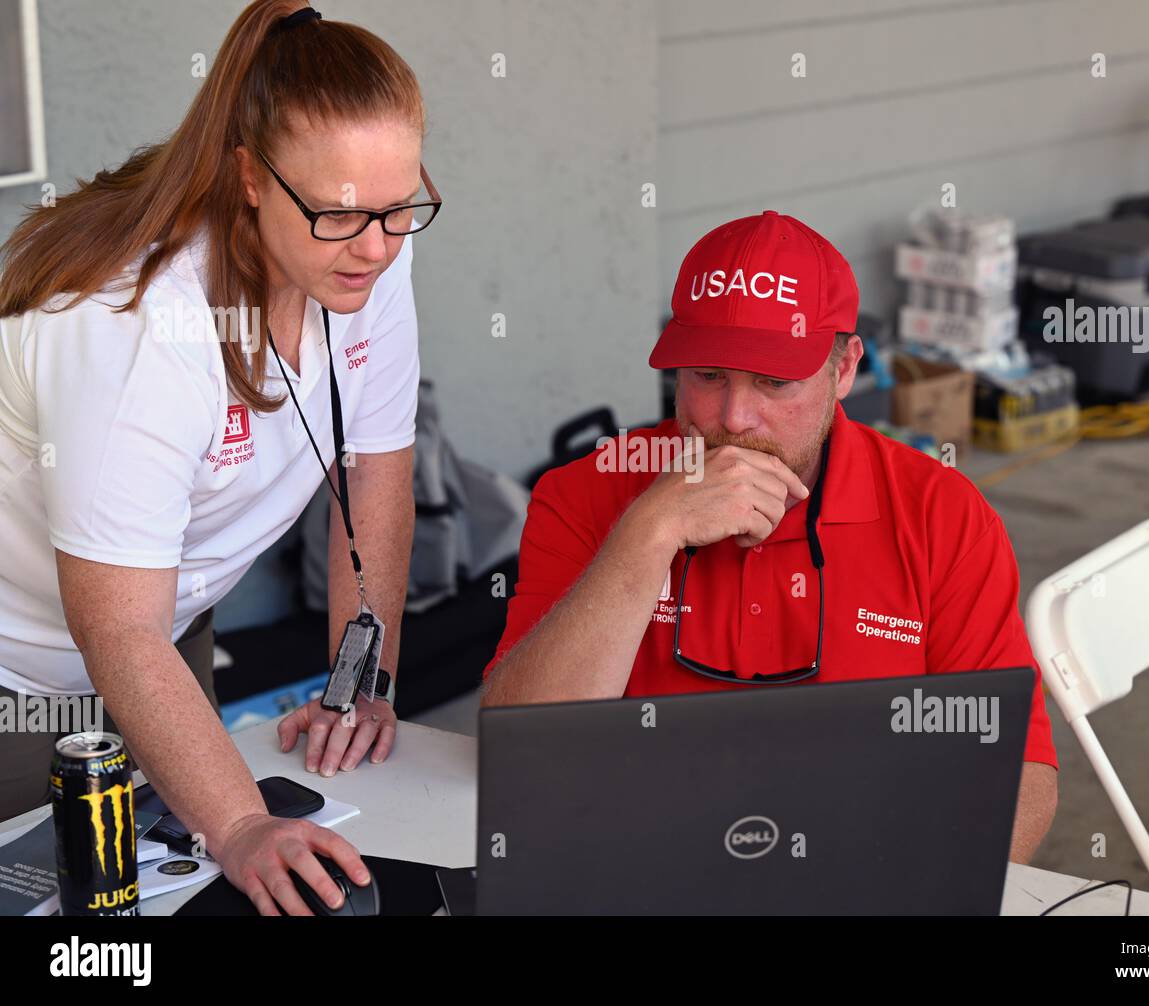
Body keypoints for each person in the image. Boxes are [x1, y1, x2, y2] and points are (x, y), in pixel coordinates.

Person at [0, 2, 437, 914]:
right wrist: (237, 825)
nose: (378, 247)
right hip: (21, 669)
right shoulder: (130, 326)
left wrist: (356, 691)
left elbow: (376, 469)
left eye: (403, 207)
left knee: (177, 902)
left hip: (157, 631)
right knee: (63, 914)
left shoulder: (369, 251)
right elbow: (113, 627)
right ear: (248, 177)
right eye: (340, 214)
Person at [482, 210, 1058, 863]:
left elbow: (1017, 772)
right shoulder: (584, 494)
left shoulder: (940, 513)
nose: (732, 418)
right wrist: (647, 533)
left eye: (774, 381)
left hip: (862, 870)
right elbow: (519, 753)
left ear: (844, 371)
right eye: (707, 375)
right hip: (634, 861)